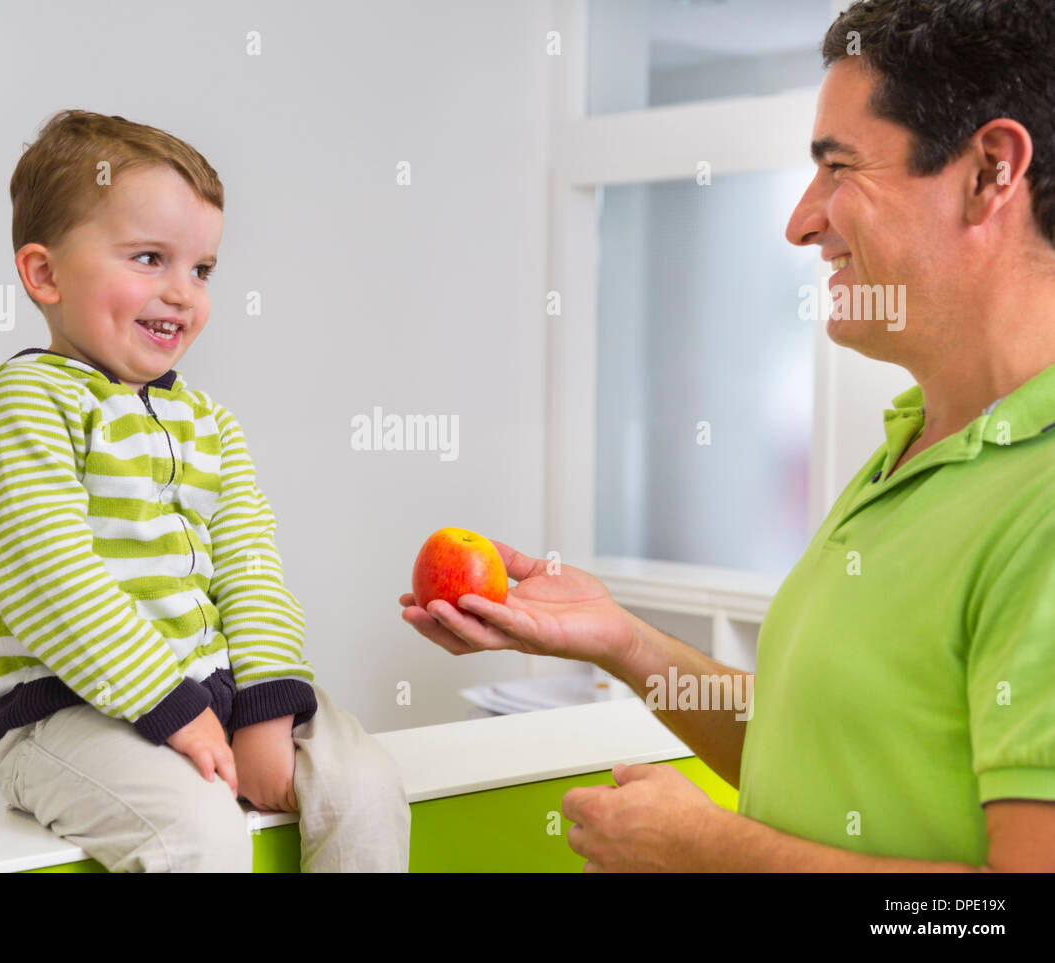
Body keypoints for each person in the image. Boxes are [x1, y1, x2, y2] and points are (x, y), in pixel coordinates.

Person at [402, 0, 1055, 872]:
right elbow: (820, 756)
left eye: (838, 168)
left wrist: (717, 854)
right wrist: (626, 642)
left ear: (989, 172)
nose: (800, 220)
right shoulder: (915, 446)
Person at [0, 109, 409, 872]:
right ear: (44, 272)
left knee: (366, 784)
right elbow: (51, 583)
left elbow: (253, 573)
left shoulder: (210, 423)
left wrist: (263, 708)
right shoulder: (25, 400)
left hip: (213, 698)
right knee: (199, 831)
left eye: (201, 270)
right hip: (66, 716)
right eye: (150, 258)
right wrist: (177, 709)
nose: (181, 293)